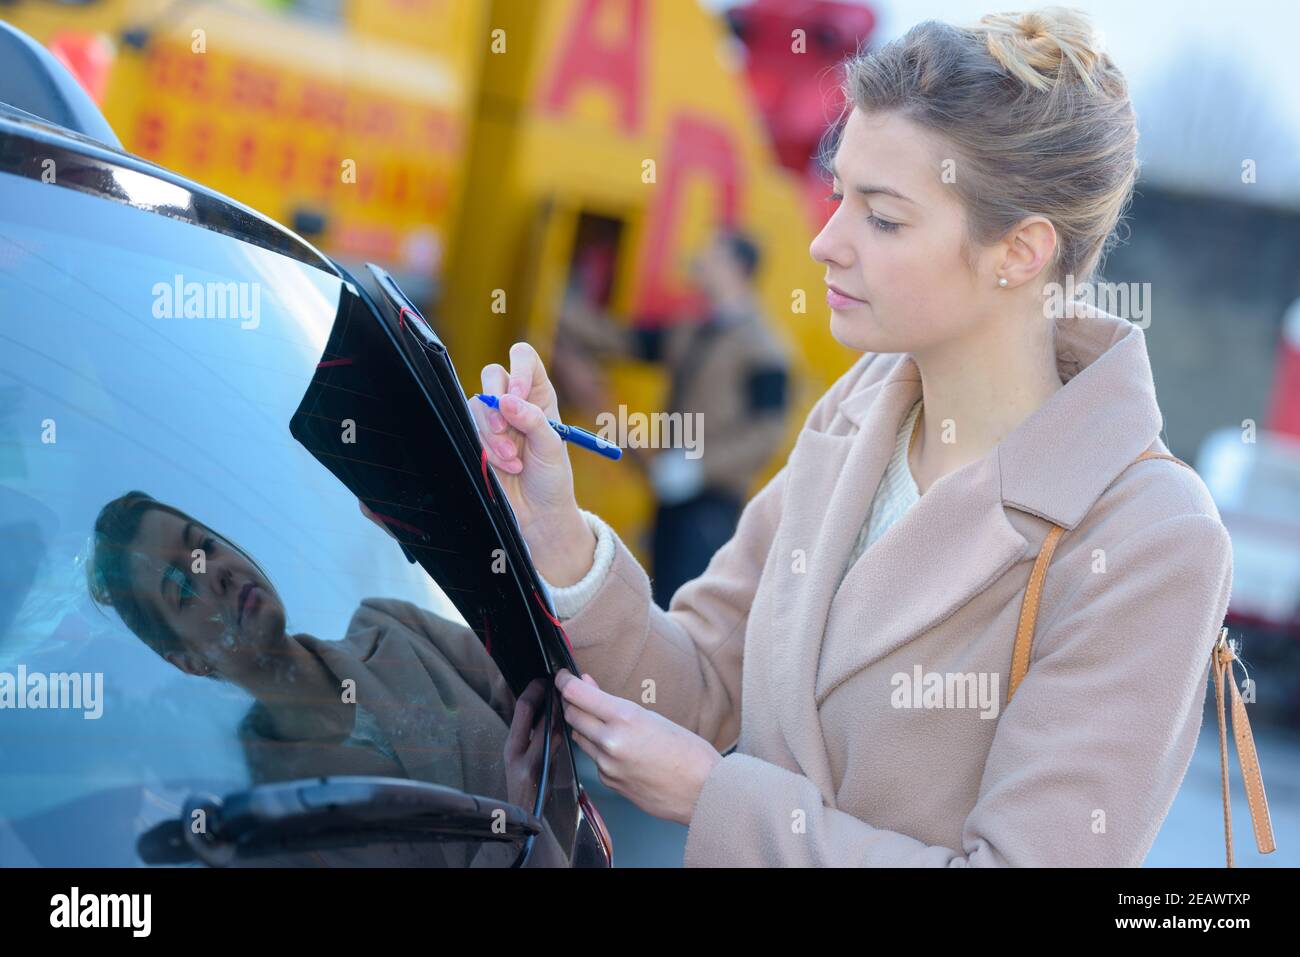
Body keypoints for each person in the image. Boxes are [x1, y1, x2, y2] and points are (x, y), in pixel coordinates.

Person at [468, 9, 1251, 866]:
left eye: (881, 217)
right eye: (839, 194)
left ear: (1020, 252)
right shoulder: (856, 413)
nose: (823, 241)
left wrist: (719, 798)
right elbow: (692, 686)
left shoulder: (1147, 536)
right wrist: (558, 527)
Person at [86, 491, 557, 866]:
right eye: (184, 586)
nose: (217, 574)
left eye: (205, 546)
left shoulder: (393, 626)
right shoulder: (265, 830)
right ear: (186, 660)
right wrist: (514, 826)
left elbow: (545, 698)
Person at [557, 229, 792, 608]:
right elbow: (618, 341)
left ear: (737, 268)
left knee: (682, 600)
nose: (700, 261)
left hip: (711, 502)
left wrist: (699, 468)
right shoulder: (691, 329)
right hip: (668, 491)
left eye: (712, 255)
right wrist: (559, 305)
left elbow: (767, 433)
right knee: (659, 591)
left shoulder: (764, 347)